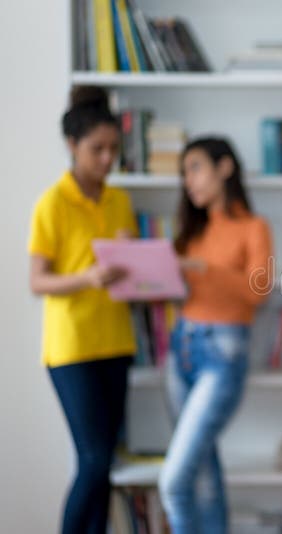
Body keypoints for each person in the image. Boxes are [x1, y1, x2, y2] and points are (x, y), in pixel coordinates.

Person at [28, 86, 138, 534]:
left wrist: (137, 263)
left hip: (116, 341)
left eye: (114, 148)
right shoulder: (51, 204)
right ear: (73, 145)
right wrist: (86, 278)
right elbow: (37, 281)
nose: (108, 158)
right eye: (98, 149)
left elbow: (128, 278)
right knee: (93, 458)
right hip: (71, 348)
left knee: (104, 462)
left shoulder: (120, 202)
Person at [158, 137, 274, 534]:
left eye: (194, 168)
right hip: (180, 349)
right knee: (203, 473)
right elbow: (175, 290)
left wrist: (200, 267)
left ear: (224, 167)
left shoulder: (253, 228)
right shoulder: (193, 230)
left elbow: (258, 291)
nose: (188, 181)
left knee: (173, 482)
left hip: (222, 353)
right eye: (183, 173)